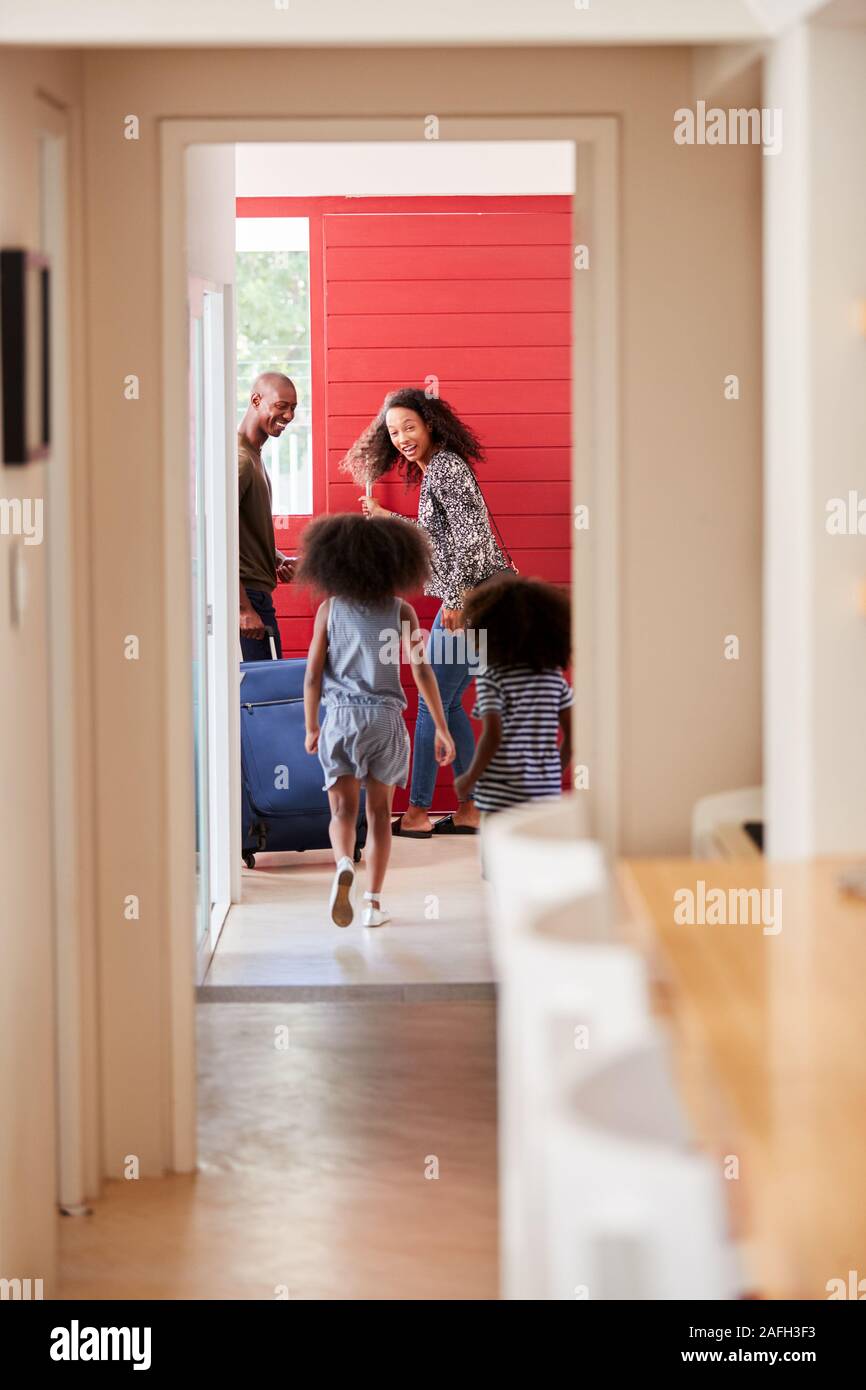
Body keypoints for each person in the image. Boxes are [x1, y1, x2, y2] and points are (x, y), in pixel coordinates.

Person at [343, 387, 514, 839]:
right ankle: (470, 807)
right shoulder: (436, 469)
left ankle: (418, 811)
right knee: (447, 700)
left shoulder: (447, 468)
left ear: (430, 424)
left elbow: (471, 541)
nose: (401, 438)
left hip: (472, 599)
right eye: (393, 431)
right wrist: (385, 517)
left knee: (431, 699)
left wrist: (457, 601)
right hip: (478, 596)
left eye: (409, 427)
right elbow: (436, 537)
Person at [297, 513, 456, 928]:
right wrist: (440, 726)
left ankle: (345, 863)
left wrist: (312, 724)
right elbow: (422, 671)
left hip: (342, 720)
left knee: (342, 813)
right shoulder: (402, 612)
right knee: (381, 816)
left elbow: (313, 673)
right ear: (393, 563)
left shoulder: (329, 610)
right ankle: (372, 904)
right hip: (385, 721)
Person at [452, 575, 573, 877]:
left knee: (495, 862)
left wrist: (470, 777)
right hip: (543, 787)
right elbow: (574, 735)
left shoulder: (493, 676)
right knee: (536, 855)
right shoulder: (553, 679)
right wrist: (553, 769)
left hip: (500, 786)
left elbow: (492, 736)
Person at [238, 372, 298, 660]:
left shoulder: (253, 457)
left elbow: (241, 530)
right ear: (256, 400)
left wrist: (277, 559)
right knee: (260, 700)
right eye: (282, 405)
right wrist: (242, 609)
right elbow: (214, 534)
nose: (289, 415)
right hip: (247, 598)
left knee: (266, 693)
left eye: (293, 408)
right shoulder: (240, 460)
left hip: (256, 595)